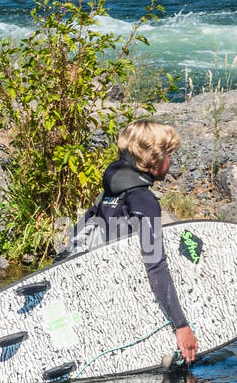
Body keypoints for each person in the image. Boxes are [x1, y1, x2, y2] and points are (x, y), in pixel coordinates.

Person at [83, 118, 199, 365]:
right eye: (169, 154)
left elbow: (80, 235)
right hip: (123, 301)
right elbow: (155, 264)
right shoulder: (143, 200)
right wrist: (181, 326)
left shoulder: (109, 192)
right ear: (154, 159)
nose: (172, 161)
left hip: (102, 295)